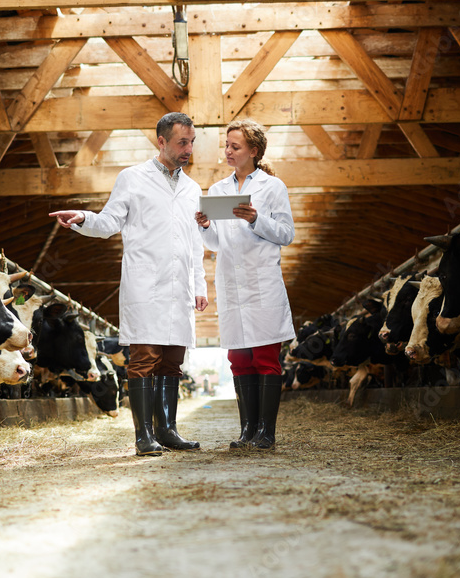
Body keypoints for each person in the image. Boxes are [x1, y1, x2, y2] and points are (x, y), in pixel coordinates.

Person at [49, 112, 208, 457]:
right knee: (145, 358)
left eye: (192, 142)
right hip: (145, 283)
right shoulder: (132, 178)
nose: (189, 149)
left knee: (172, 362)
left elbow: (195, 243)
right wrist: (84, 218)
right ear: (161, 141)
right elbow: (109, 221)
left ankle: (168, 430)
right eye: (182, 142)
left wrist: (200, 286)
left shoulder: (193, 189)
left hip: (180, 286)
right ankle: (144, 435)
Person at [195, 118, 295, 450]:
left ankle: (267, 432)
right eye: (226, 145)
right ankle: (248, 430)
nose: (228, 151)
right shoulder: (217, 190)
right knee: (238, 360)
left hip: (262, 282)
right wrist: (205, 226)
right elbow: (215, 243)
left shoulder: (273, 187)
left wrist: (256, 219)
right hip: (231, 284)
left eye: (235, 146)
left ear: (253, 151)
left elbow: (286, 234)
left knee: (265, 356)